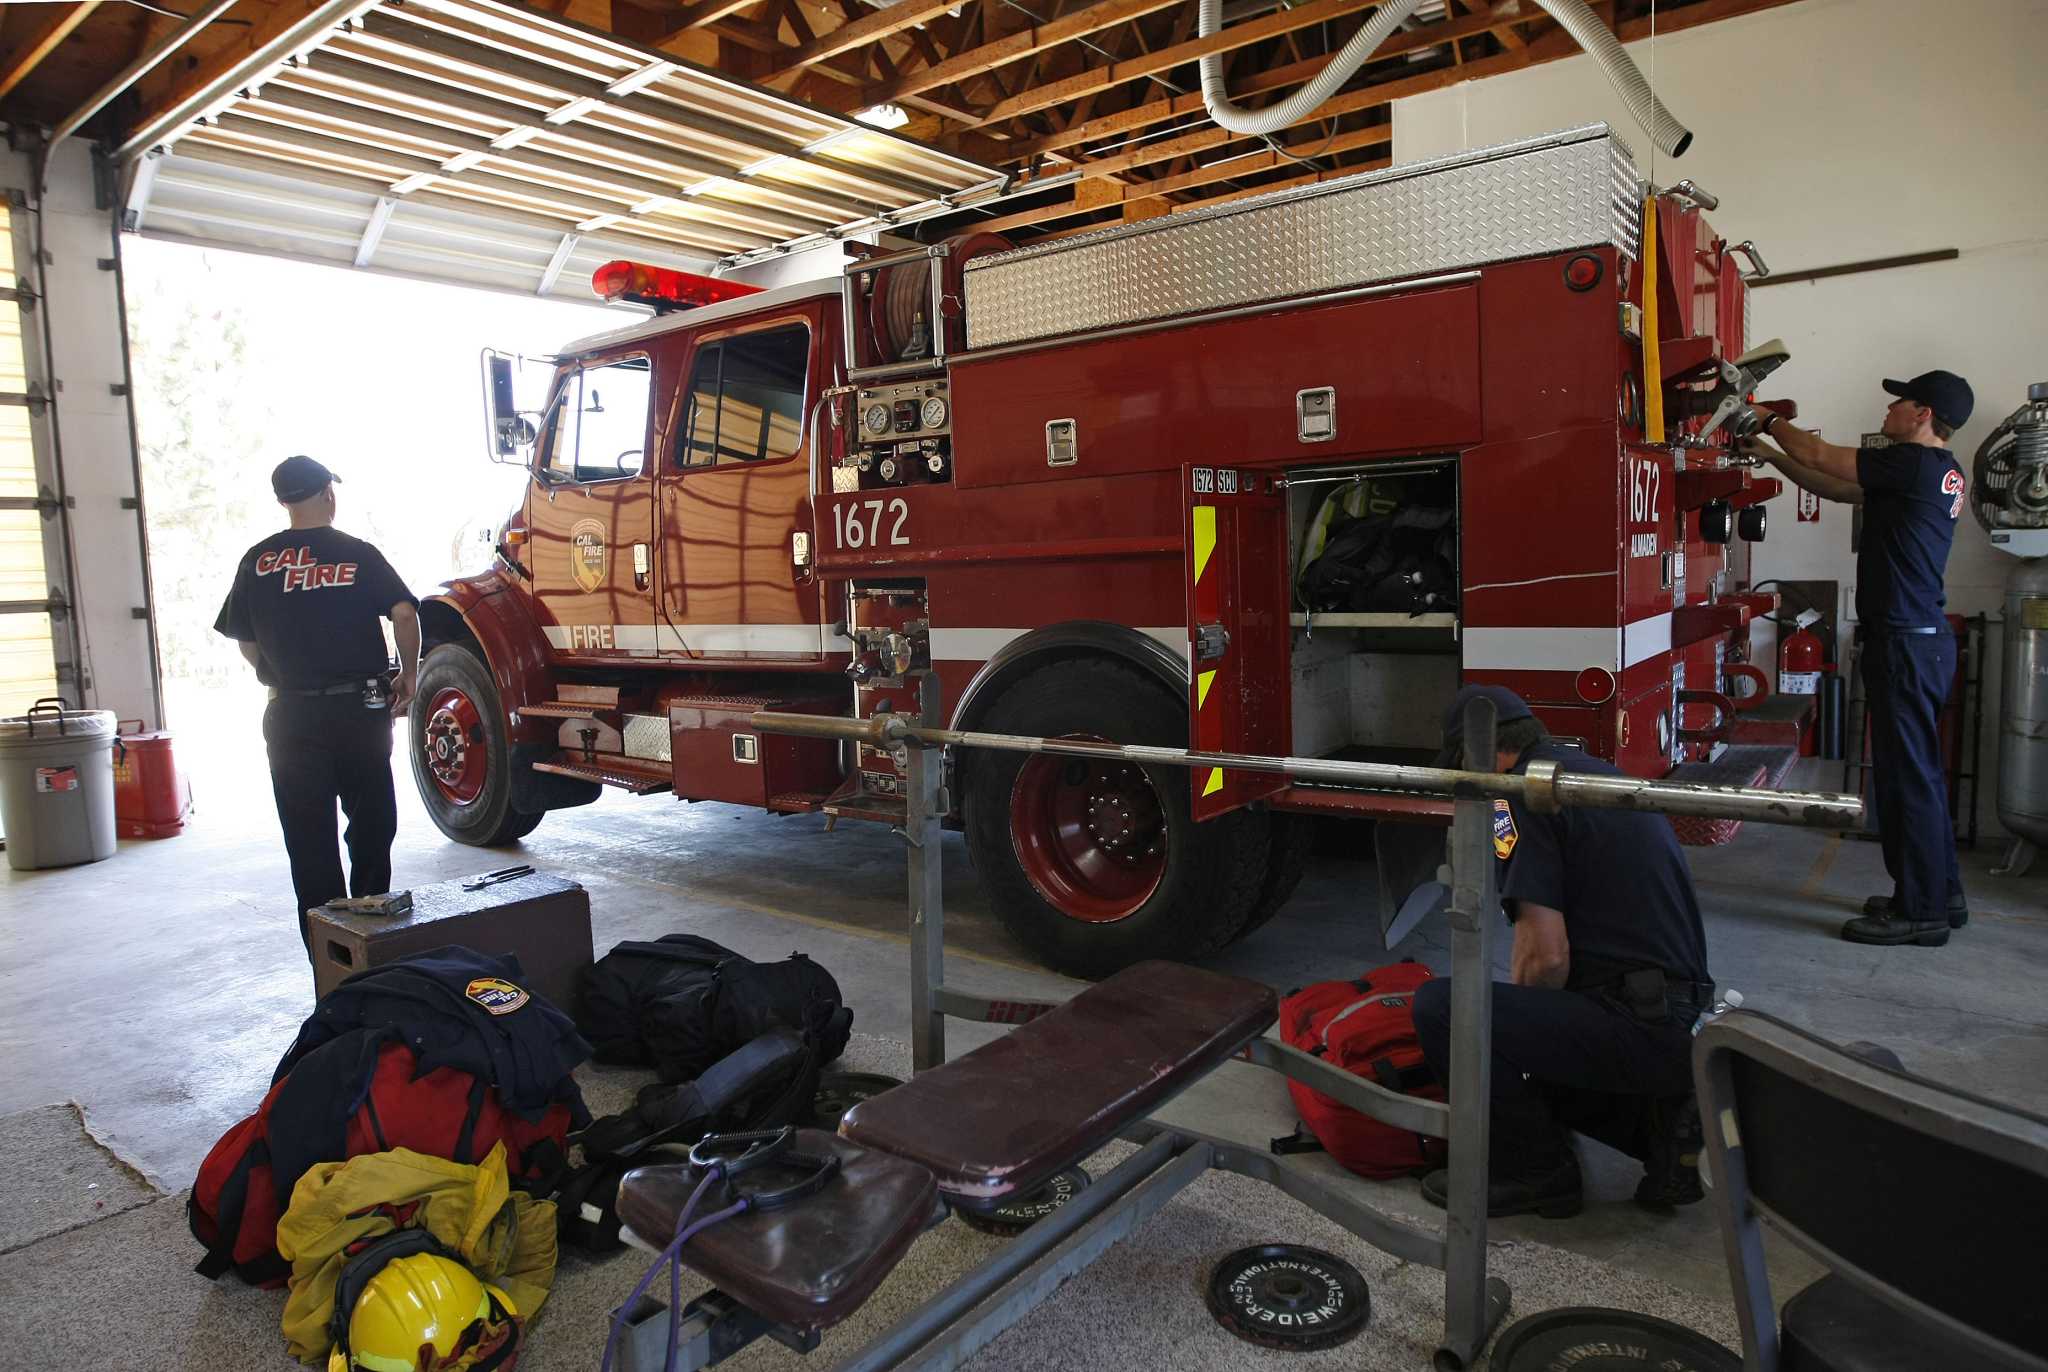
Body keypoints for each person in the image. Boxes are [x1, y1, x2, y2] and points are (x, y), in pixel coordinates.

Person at [1412, 685, 1713, 1219]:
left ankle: (1535, 1173)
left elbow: (1546, 957)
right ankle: (1660, 1130)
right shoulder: (1584, 772)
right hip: (1674, 1014)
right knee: (1521, 1035)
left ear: (1477, 756)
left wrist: (1513, 1036)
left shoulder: (1518, 797)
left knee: (1449, 1010)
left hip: (1634, 1020)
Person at [1741, 370, 1974, 947]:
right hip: (1920, 642)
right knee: (1919, 777)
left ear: (1922, 413)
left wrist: (1764, 417)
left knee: (1905, 781)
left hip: (1904, 644)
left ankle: (1920, 912)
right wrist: (1771, 456)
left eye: (1898, 402)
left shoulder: (1912, 463)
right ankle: (1940, 894)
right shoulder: (1936, 471)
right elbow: (1835, 487)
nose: (1888, 410)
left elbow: (1821, 454)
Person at [215, 456, 419, 956]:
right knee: (371, 825)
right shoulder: (357, 553)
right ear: (329, 493)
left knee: (309, 841)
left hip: (292, 716)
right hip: (359, 710)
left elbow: (244, 639)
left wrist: (277, 676)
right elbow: (403, 612)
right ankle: (373, 933)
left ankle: (329, 962)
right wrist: (410, 675)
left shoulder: (256, 560)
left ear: (283, 501)